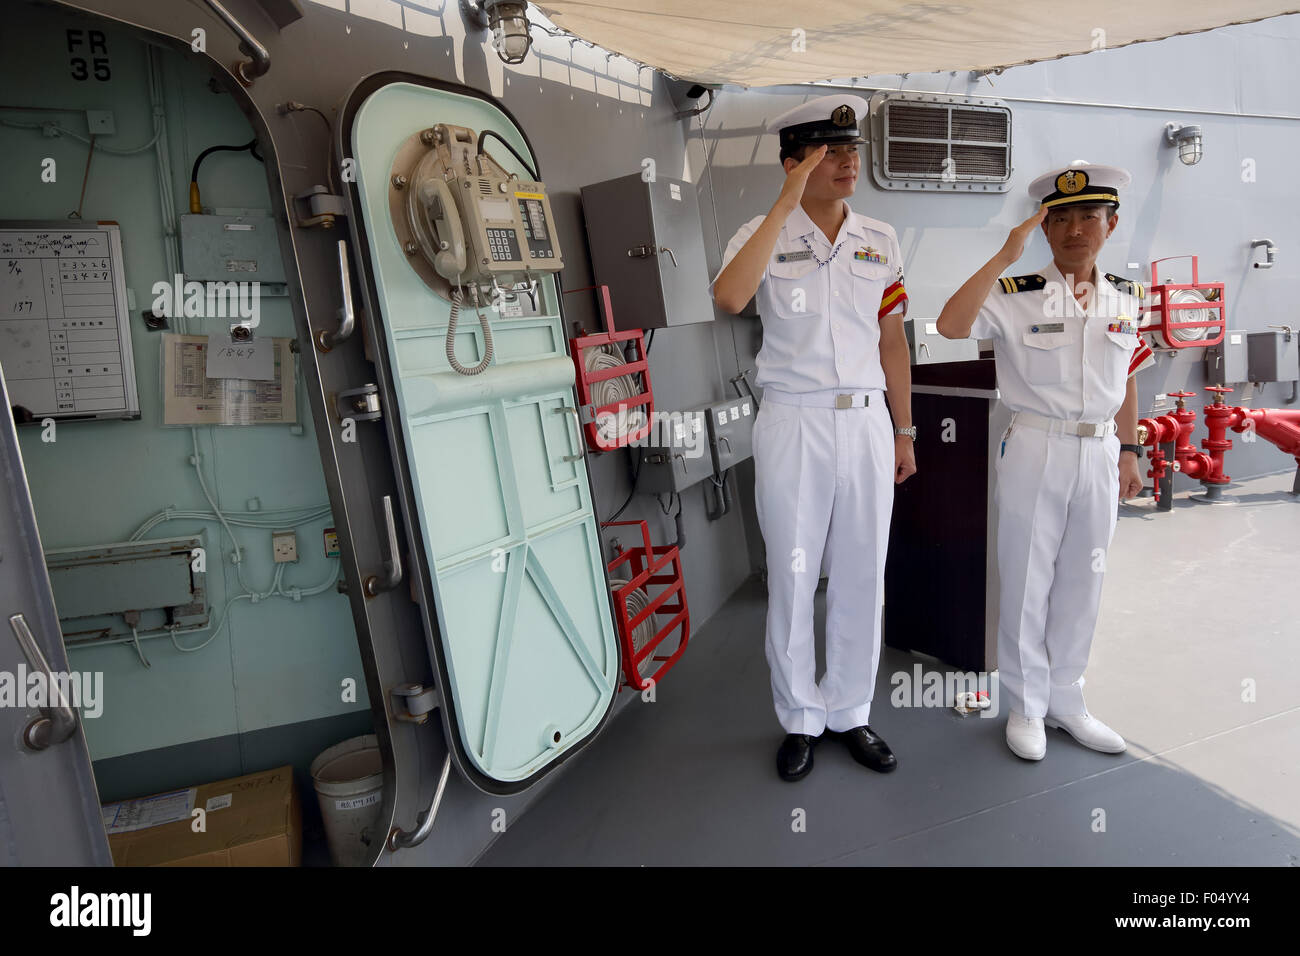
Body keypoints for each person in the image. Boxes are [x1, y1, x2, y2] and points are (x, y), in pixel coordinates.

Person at [711, 95, 916, 782]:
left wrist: (904, 429)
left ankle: (850, 710)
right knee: (795, 576)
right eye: (831, 151)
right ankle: (800, 715)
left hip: (865, 421)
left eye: (852, 148)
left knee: (864, 570)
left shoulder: (881, 239)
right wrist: (783, 205)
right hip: (793, 419)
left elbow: (892, 341)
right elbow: (730, 298)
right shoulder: (759, 233)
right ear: (794, 162)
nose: (849, 160)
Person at [937, 162, 1153, 761]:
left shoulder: (1126, 297)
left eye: (1089, 217)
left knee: (1085, 581)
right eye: (1060, 219)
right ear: (1045, 228)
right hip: (1036, 445)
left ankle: (1067, 701)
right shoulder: (1015, 295)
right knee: (1028, 579)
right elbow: (952, 324)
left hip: (1102, 450)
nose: (1075, 229)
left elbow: (1128, 376)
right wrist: (1005, 254)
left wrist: (1131, 450)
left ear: (1111, 224)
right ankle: (1026, 707)